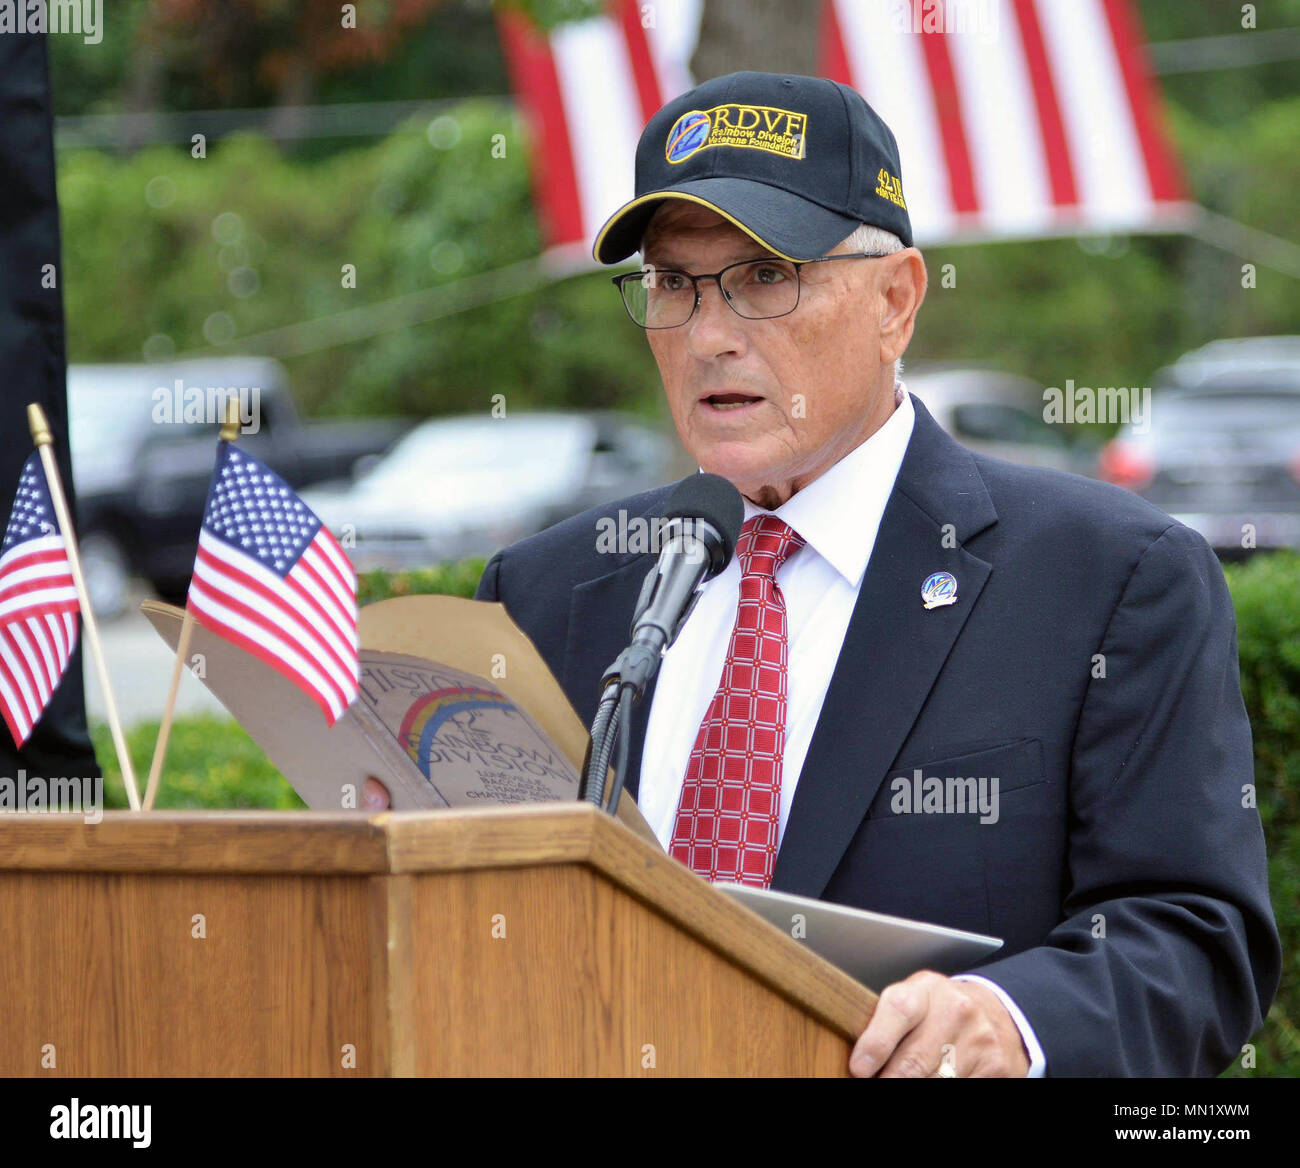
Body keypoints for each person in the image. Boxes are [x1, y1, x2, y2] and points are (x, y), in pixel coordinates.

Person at [367, 71, 1280, 1077]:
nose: (709, 334)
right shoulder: (547, 591)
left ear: (896, 300)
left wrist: (1007, 1021)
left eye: (765, 276)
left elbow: (1194, 941)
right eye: (673, 282)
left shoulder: (1106, 578)